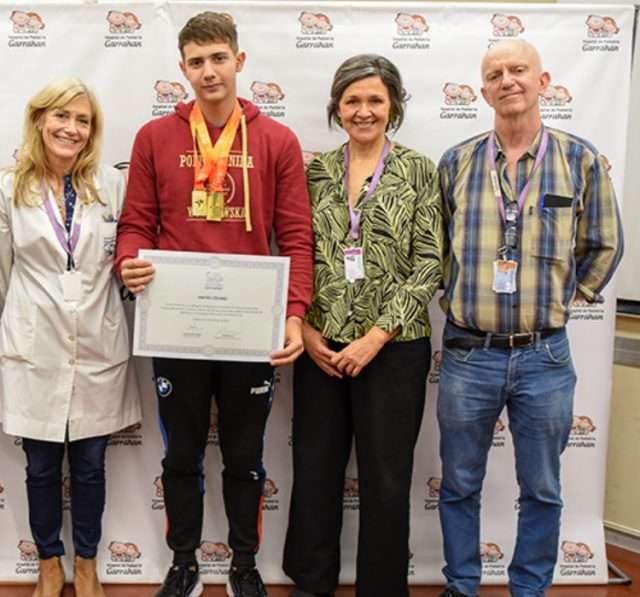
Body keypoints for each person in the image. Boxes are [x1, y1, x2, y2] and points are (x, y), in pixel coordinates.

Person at [116, 12, 313, 597]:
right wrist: (129, 261)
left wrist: (295, 314)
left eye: (218, 58)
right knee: (179, 456)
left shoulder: (277, 139)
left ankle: (245, 565)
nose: (209, 72)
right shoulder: (155, 137)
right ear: (182, 69)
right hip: (175, 326)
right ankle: (183, 563)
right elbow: (135, 224)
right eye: (197, 62)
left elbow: (296, 238)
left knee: (245, 458)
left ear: (239, 62)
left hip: (250, 331)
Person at [436, 39, 622, 597]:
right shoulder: (457, 162)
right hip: (469, 354)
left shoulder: (579, 158)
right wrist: (456, 299)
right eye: (494, 73)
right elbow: (438, 247)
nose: (507, 80)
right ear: (483, 89)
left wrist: (568, 300)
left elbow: (605, 243)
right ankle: (462, 585)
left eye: (519, 70)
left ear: (543, 82)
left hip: (545, 356)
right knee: (459, 485)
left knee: (541, 487)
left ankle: (530, 588)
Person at [281, 55, 443, 597]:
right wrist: (304, 331)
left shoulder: (420, 169)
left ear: (393, 105)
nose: (364, 110)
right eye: (352, 100)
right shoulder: (315, 171)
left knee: (387, 479)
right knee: (315, 471)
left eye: (375, 99)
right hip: (320, 347)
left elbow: (429, 265)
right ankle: (311, 584)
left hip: (393, 351)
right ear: (337, 107)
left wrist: (376, 338)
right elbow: (295, 252)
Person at [0, 77, 142, 597]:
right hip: (36, 343)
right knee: (42, 465)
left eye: (83, 120)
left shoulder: (111, 186)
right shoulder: (4, 188)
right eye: (61, 117)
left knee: (92, 465)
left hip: (98, 342)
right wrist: (40, 312)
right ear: (38, 120)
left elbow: (122, 262)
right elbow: (1, 274)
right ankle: (50, 563)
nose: (71, 129)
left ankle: (88, 563)